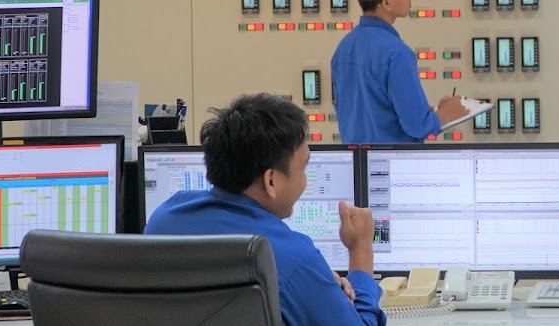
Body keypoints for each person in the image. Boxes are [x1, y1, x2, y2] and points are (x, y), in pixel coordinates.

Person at [145, 93, 386, 326]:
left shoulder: (164, 218)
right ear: (271, 181)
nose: (304, 179)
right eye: (303, 168)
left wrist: (315, 282)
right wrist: (360, 249)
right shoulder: (293, 259)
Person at [331, 0, 466, 143]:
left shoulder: (344, 48)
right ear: (387, 3)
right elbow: (419, 126)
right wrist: (447, 113)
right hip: (393, 167)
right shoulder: (397, 53)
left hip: (357, 165)